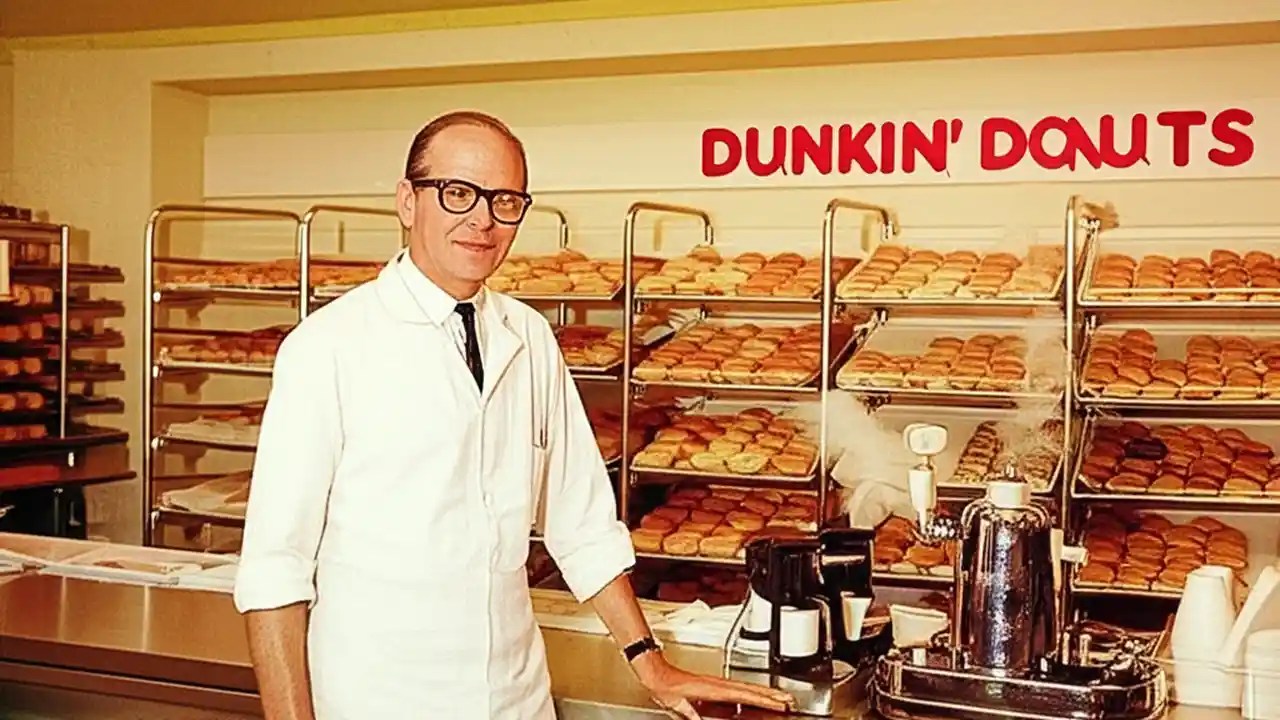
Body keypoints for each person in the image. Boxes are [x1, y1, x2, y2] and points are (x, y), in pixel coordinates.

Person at [233, 110, 794, 720]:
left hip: (514, 697)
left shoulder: (528, 336)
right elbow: (275, 568)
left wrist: (648, 661)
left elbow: (580, 521)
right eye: (457, 193)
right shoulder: (328, 347)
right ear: (406, 201)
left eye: (504, 200)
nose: (483, 219)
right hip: (379, 696)